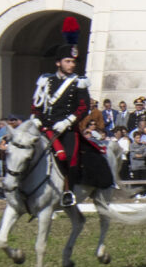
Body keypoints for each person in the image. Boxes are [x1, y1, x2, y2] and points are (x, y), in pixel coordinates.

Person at [32, 19, 115, 205]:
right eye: (67, 61)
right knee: (24, 150)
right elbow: (36, 104)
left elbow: (83, 107)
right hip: (45, 127)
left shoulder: (79, 82)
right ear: (58, 63)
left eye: (73, 61)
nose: (71, 65)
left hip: (66, 129)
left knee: (68, 156)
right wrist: (36, 119)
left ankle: (67, 191)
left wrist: (67, 122)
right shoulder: (46, 81)